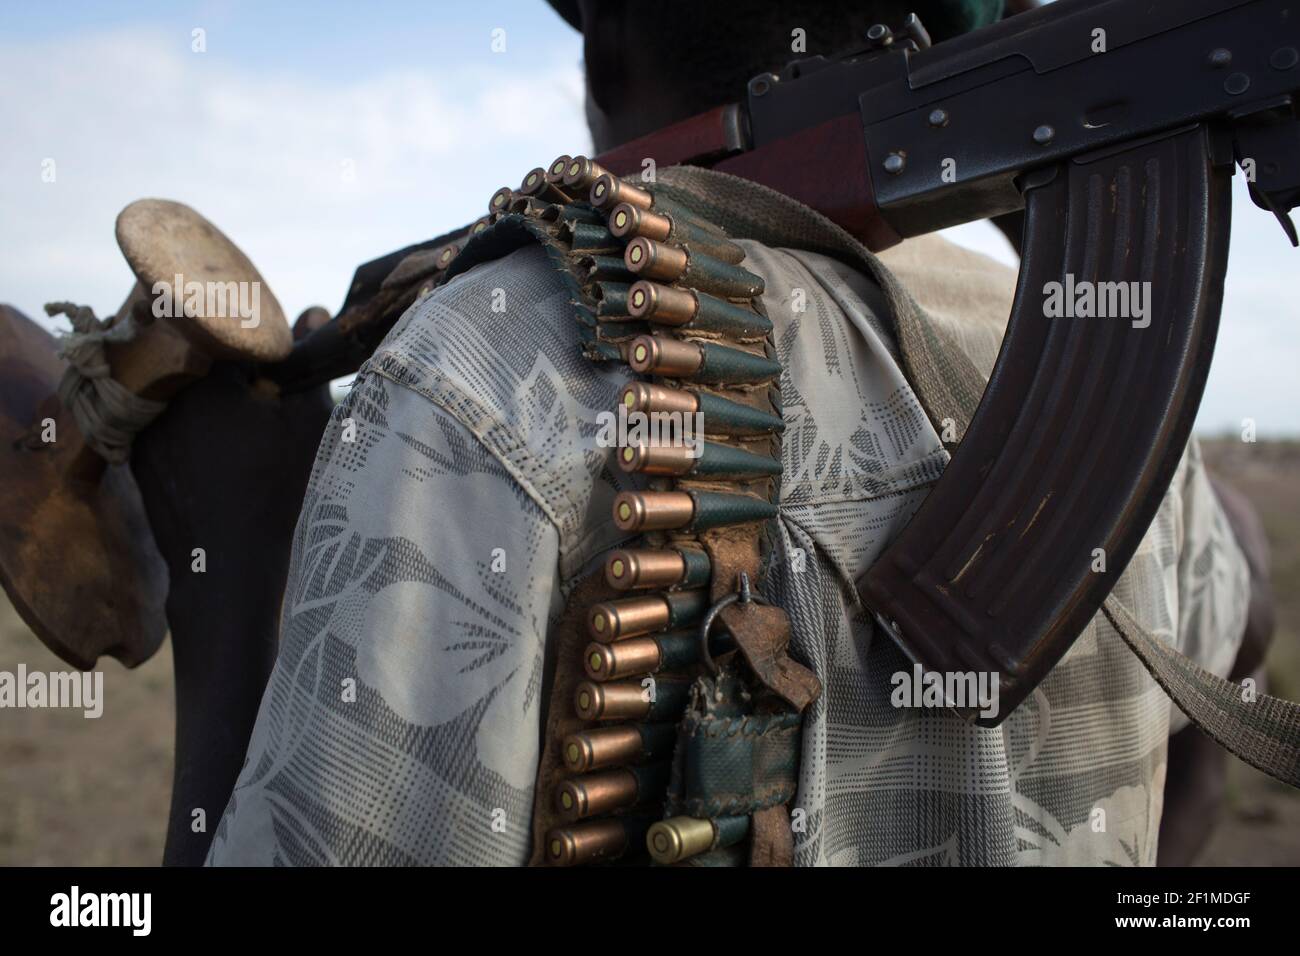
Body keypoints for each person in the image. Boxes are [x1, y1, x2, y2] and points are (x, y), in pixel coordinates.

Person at [206, 0, 1263, 866]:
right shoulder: (1081, 336)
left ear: (609, 45)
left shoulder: (501, 360)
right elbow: (1232, 641)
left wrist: (239, 575)